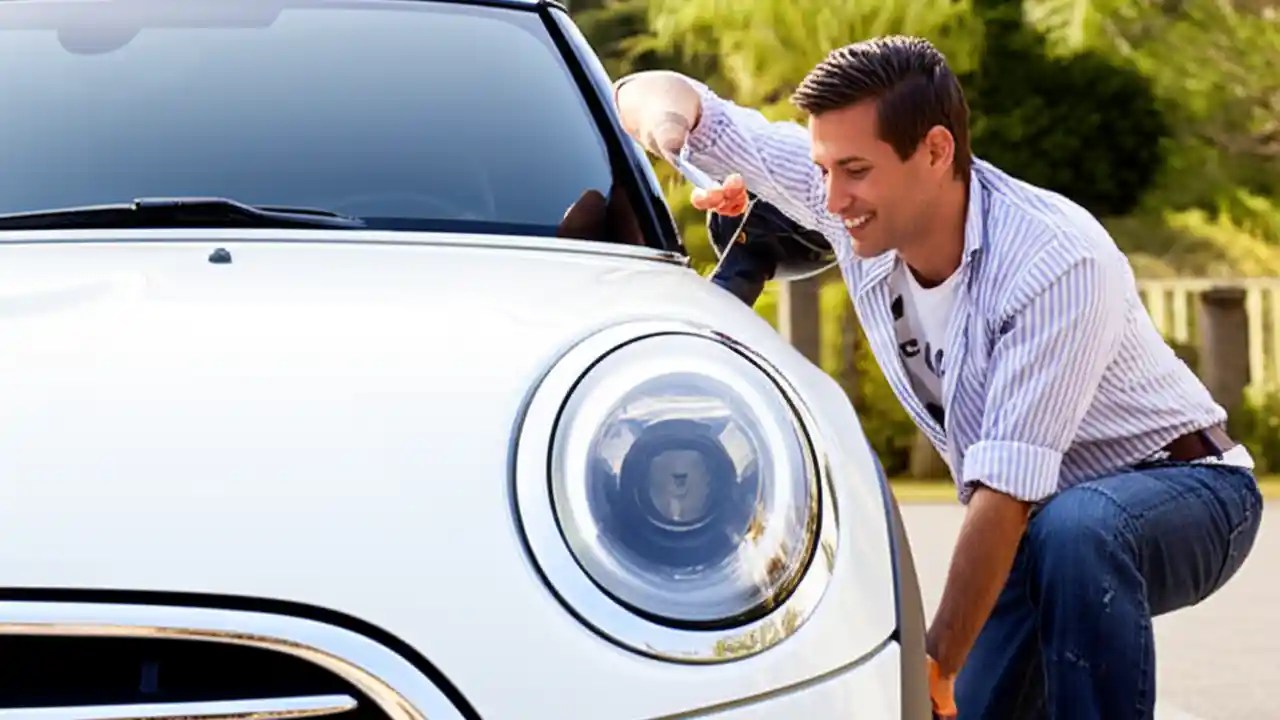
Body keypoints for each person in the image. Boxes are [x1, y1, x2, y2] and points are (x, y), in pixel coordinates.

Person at [612, 35, 1264, 719]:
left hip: (1188, 491)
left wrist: (935, 665)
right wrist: (673, 143)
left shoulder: (1055, 260)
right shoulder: (846, 197)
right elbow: (654, 91)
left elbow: (1006, 492)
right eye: (823, 168)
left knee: (1068, 542)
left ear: (935, 151)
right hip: (1038, 531)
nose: (832, 201)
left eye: (855, 170)